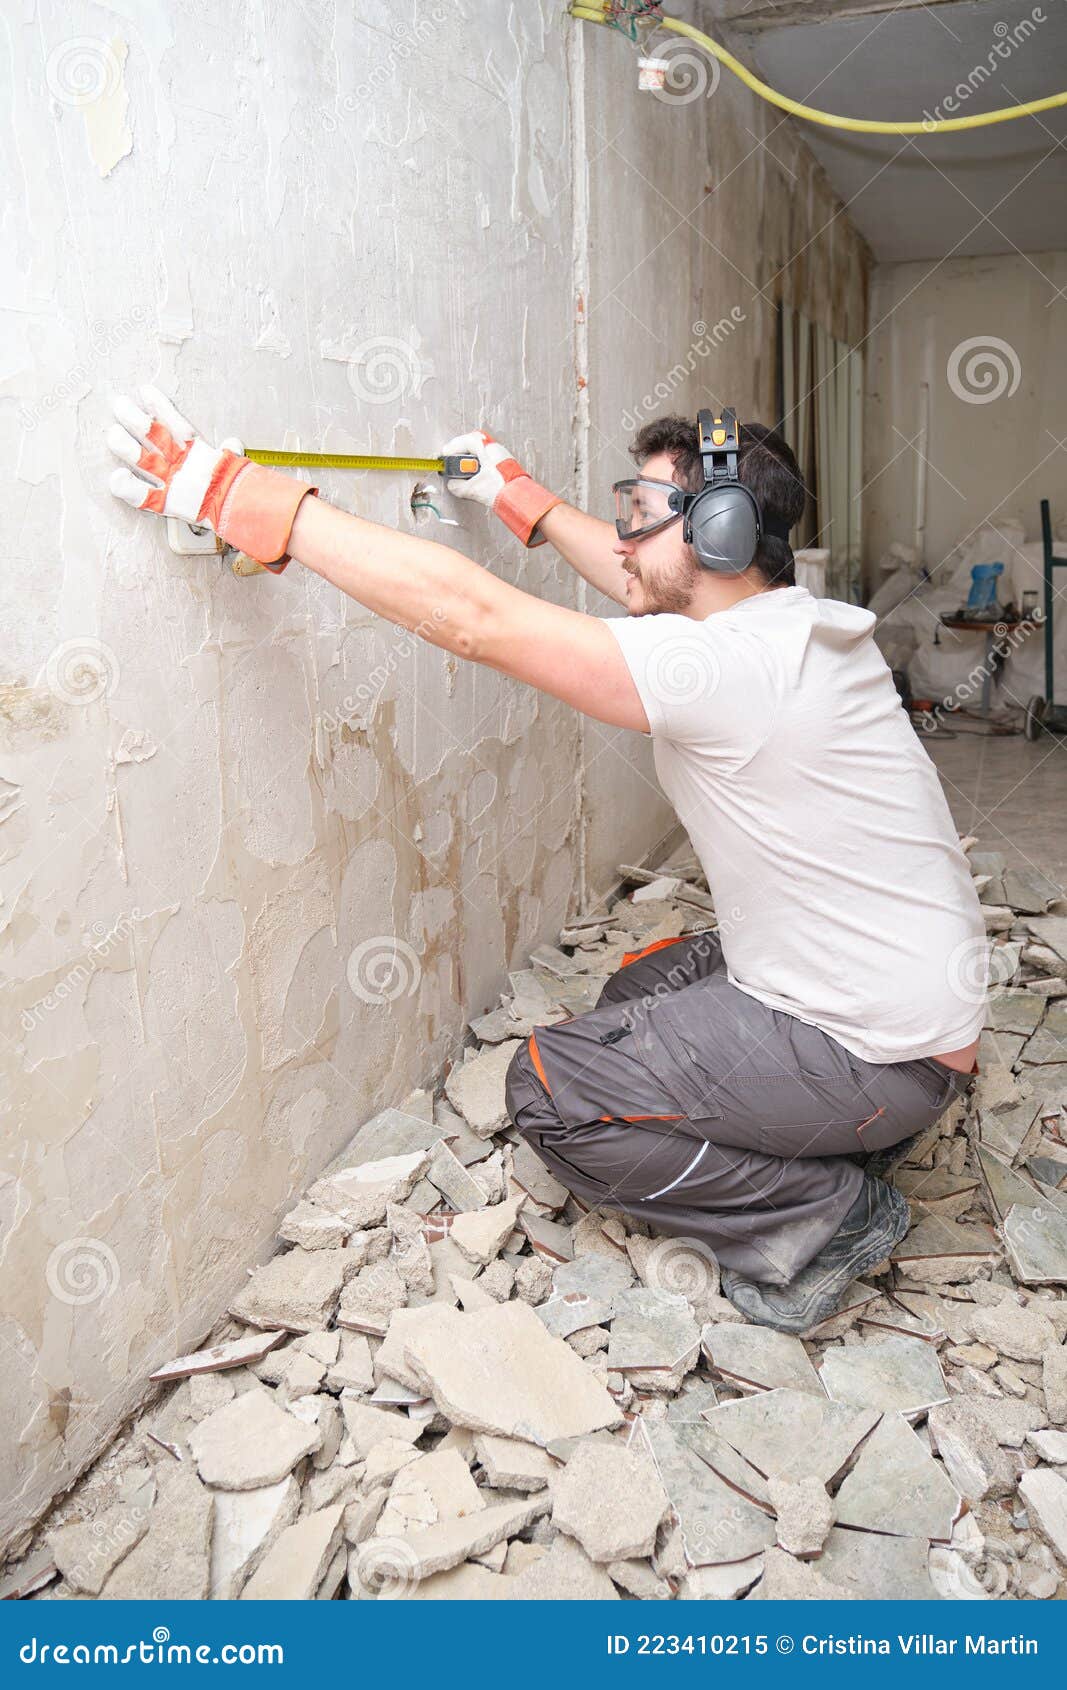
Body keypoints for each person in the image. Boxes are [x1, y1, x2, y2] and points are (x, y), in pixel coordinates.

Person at [106, 388, 985, 1332]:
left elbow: (474, 619)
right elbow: (637, 582)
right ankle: (823, 1137)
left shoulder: (734, 673)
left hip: (877, 1053)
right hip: (902, 1016)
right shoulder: (788, 625)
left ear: (720, 533)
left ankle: (825, 1214)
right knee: (635, 995)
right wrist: (515, 494)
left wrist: (239, 496)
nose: (619, 540)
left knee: (553, 1089)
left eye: (639, 518)